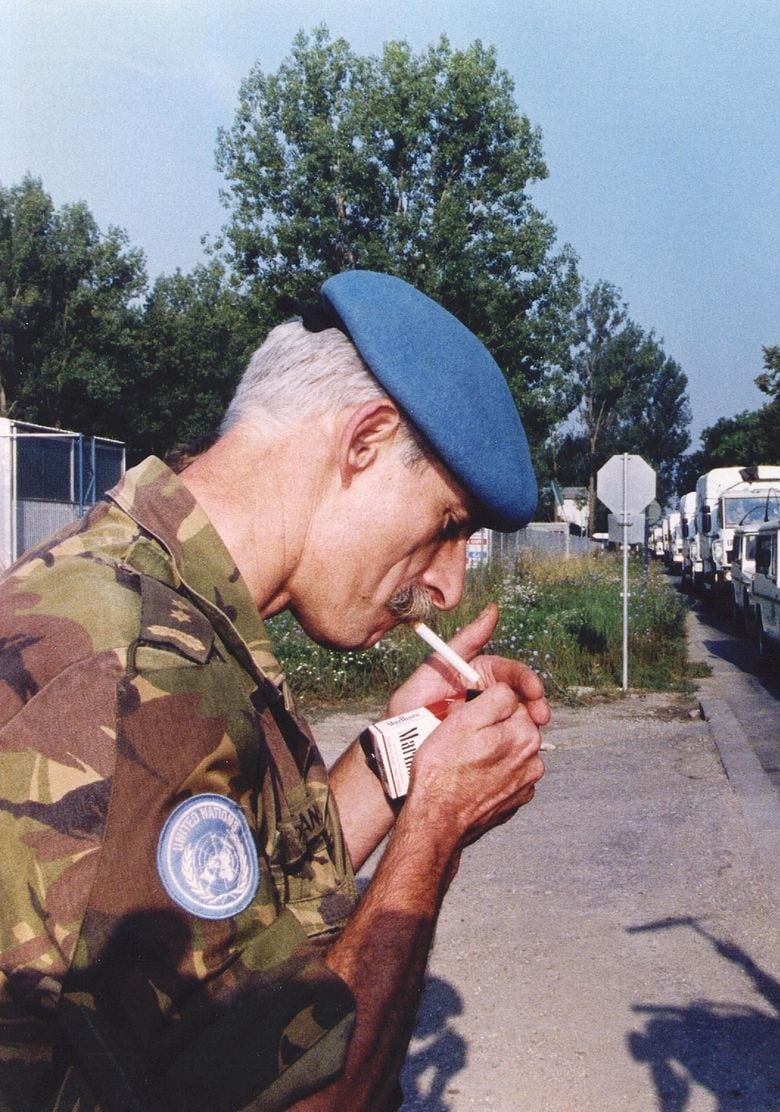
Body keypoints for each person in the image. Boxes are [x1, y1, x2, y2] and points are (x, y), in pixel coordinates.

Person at [0, 271, 552, 1110]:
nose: (446, 587)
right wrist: (434, 826)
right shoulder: (136, 666)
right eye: (448, 525)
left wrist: (401, 758)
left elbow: (221, 905)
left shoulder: (153, 595)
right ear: (364, 441)